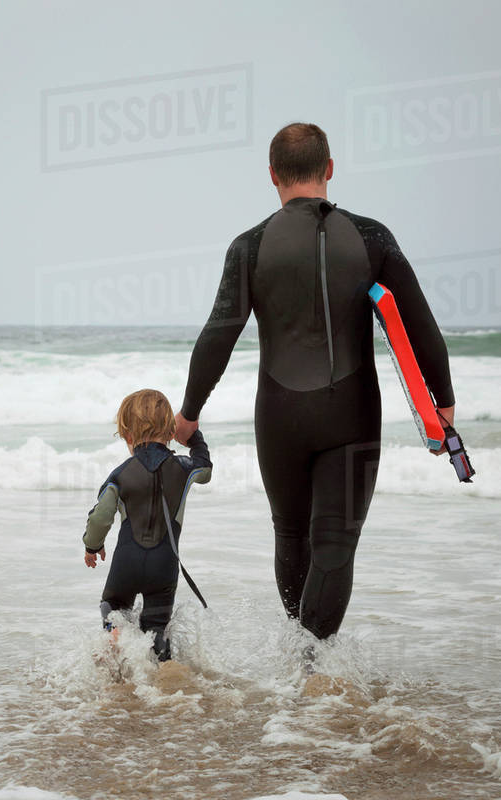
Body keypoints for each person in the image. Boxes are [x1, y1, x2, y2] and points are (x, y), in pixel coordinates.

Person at [174, 122, 456, 641]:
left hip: (279, 418)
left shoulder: (249, 246)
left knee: (290, 535)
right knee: (334, 544)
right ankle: (314, 672)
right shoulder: (372, 237)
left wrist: (189, 413)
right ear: (329, 169)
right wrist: (444, 403)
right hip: (351, 413)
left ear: (272, 176)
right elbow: (419, 325)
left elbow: (218, 335)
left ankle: (295, 665)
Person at [82, 389, 212, 661]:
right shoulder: (184, 467)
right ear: (170, 433)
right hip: (164, 566)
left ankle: (115, 633)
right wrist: (194, 439)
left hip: (126, 562)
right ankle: (164, 675)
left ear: (128, 436)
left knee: (113, 606)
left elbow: (100, 517)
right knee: (156, 632)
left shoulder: (120, 474)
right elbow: (205, 470)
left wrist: (93, 546)